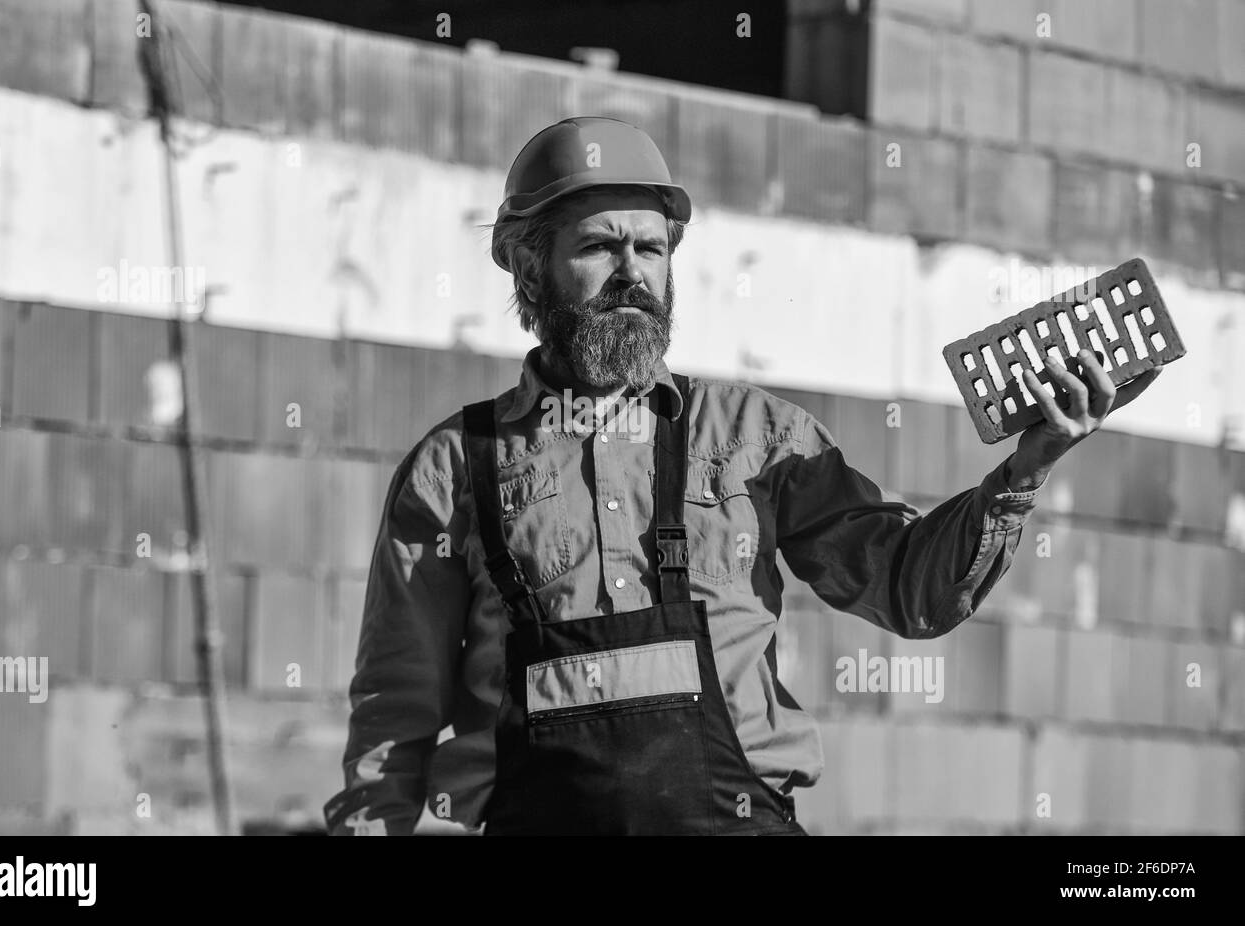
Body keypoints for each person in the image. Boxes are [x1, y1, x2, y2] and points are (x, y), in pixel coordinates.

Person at [323, 116, 1161, 836]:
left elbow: (909, 589)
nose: (633, 274)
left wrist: (1025, 466)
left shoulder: (756, 438)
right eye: (599, 247)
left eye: (652, 248)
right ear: (526, 265)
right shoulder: (453, 468)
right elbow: (394, 715)